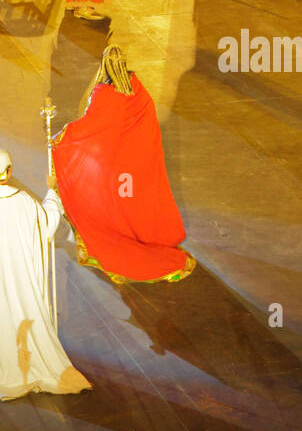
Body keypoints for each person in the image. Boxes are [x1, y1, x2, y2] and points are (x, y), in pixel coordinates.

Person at [0, 147, 91, 402]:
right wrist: (52, 191)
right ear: (9, 170)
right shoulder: (23, 201)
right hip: (18, 279)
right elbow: (46, 224)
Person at [52, 46, 196, 285]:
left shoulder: (106, 93)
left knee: (114, 205)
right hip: (140, 162)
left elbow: (91, 126)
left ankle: (125, 238)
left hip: (119, 165)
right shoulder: (136, 87)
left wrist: (63, 136)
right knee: (137, 203)